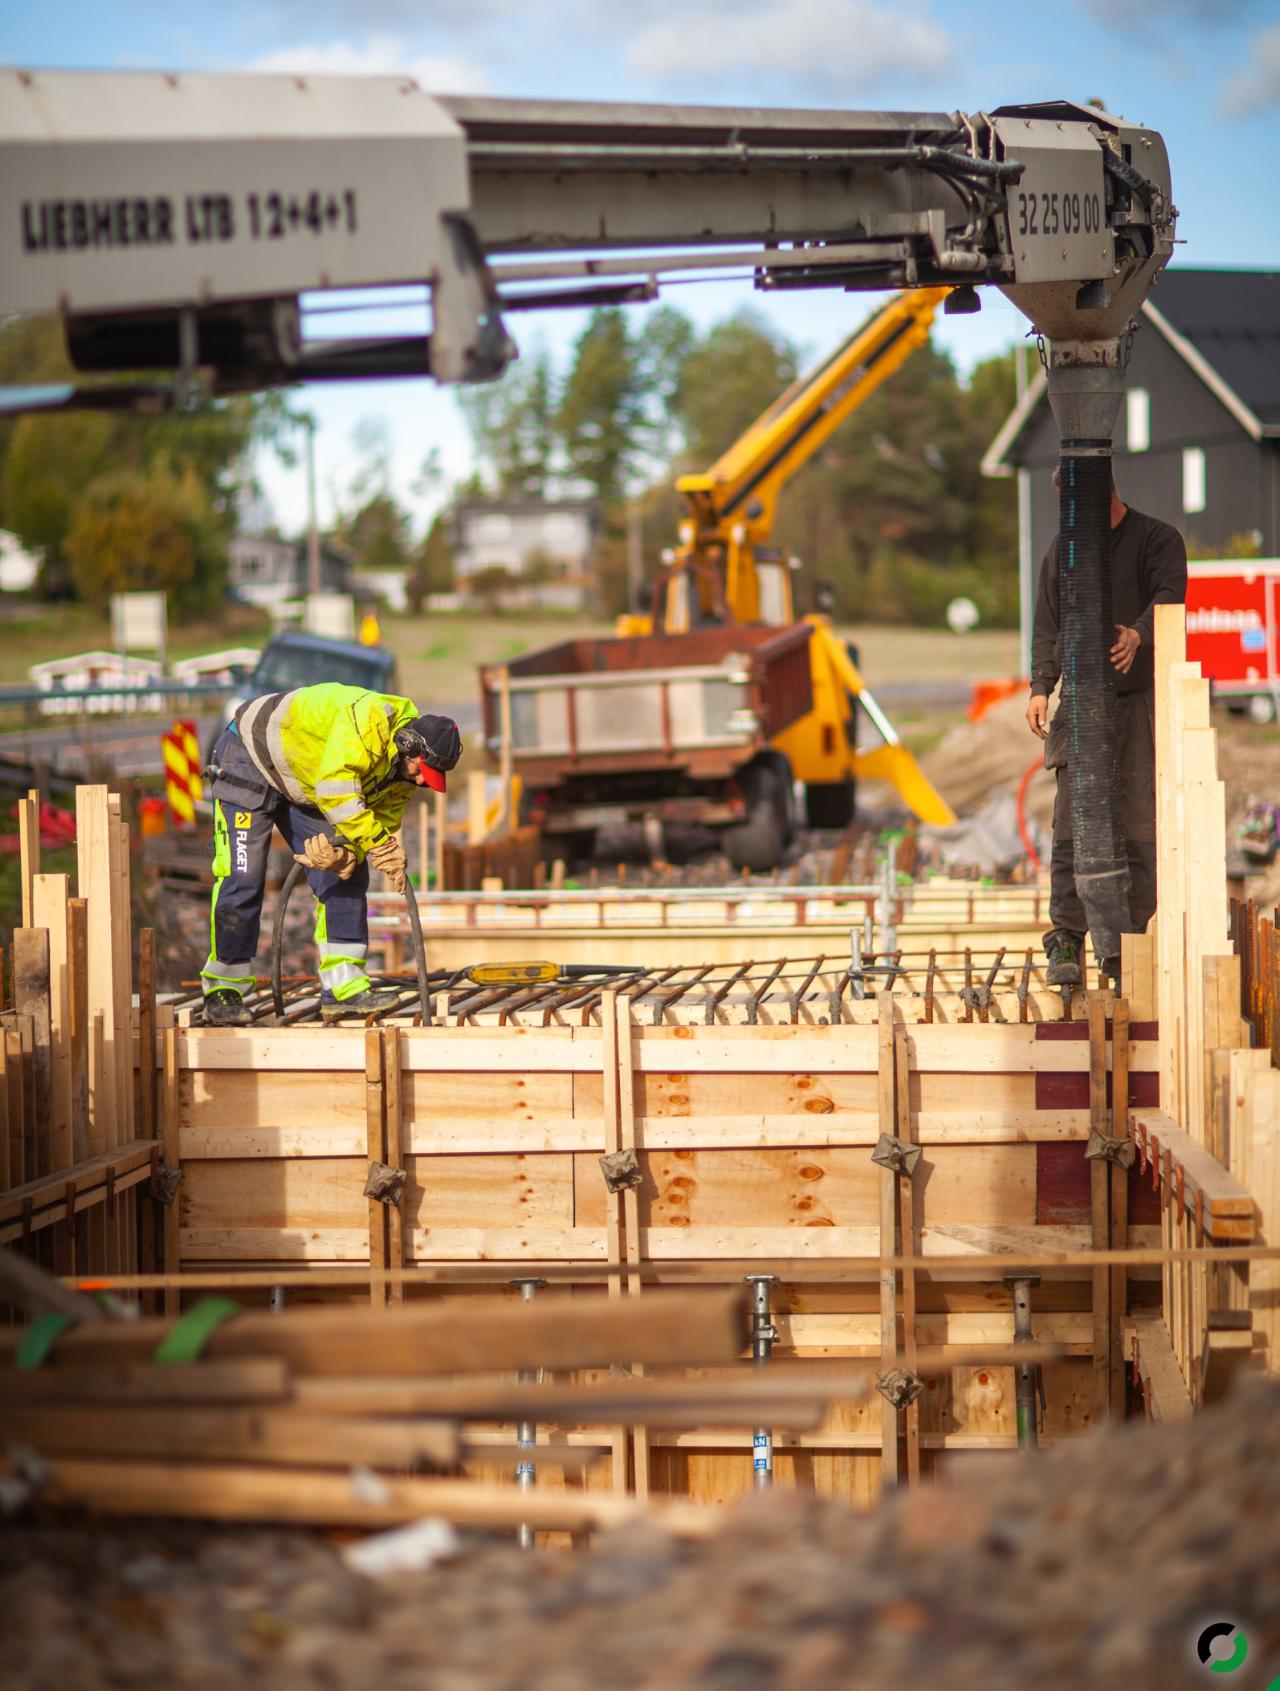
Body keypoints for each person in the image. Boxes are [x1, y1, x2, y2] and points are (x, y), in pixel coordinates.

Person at [200, 684, 461, 1025]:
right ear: (408, 747)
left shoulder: (403, 776)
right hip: (249, 755)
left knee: (350, 876)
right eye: (422, 772)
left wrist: (345, 858)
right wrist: (381, 845)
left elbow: (372, 824)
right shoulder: (369, 719)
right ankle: (224, 990)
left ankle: (343, 987)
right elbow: (335, 789)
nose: (423, 783)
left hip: (303, 778)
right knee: (244, 874)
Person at [1026, 473, 1187, 986]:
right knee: (1071, 827)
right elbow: (1047, 624)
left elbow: (1170, 595)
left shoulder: (1157, 539)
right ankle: (1067, 939)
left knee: (1138, 825)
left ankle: (1132, 946)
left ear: (1104, 494)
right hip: (1078, 703)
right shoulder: (1065, 551)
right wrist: (1039, 686)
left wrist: (1139, 634)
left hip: (1136, 702)